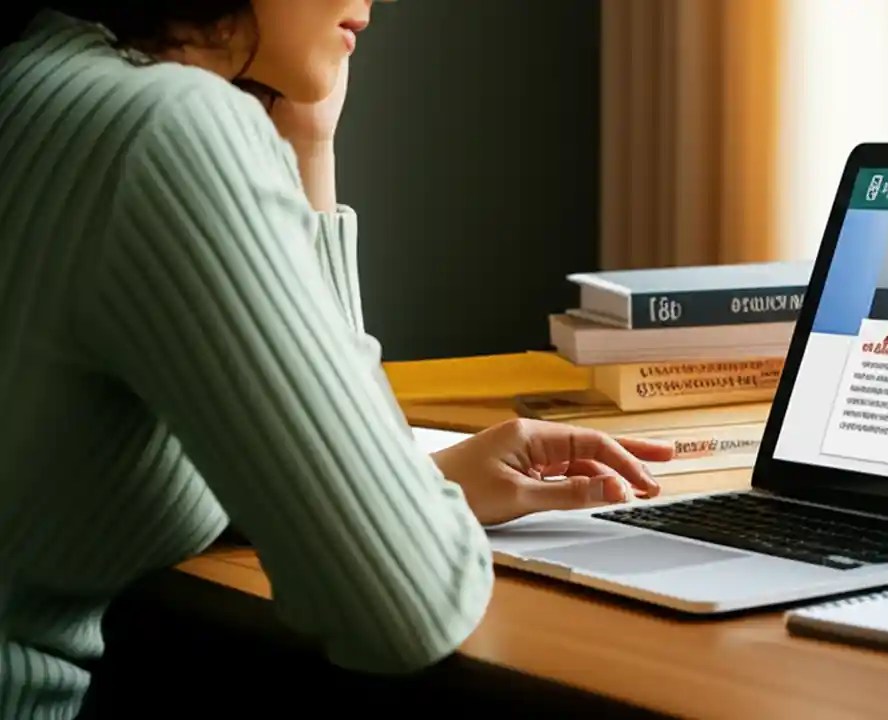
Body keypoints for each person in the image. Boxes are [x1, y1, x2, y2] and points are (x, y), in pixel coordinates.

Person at [0, 2, 673, 717]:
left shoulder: (40, 78)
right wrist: (404, 510)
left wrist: (309, 145)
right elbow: (406, 601)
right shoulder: (166, 130)